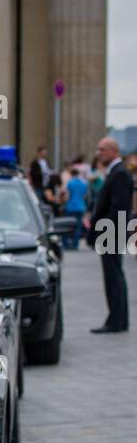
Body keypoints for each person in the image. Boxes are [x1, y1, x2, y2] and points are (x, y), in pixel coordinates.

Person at [89, 135, 132, 334]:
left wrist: (104, 231)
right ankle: (118, 319)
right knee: (115, 276)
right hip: (113, 231)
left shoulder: (120, 173)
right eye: (98, 149)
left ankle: (116, 321)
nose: (99, 153)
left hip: (112, 232)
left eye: (102, 149)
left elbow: (119, 207)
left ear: (114, 151)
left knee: (113, 277)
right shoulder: (116, 172)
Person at [62, 161, 89, 249]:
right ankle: (75, 244)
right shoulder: (84, 184)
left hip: (71, 206)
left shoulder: (70, 183)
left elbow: (68, 195)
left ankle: (66, 243)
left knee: (67, 225)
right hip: (81, 207)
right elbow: (85, 196)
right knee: (78, 226)